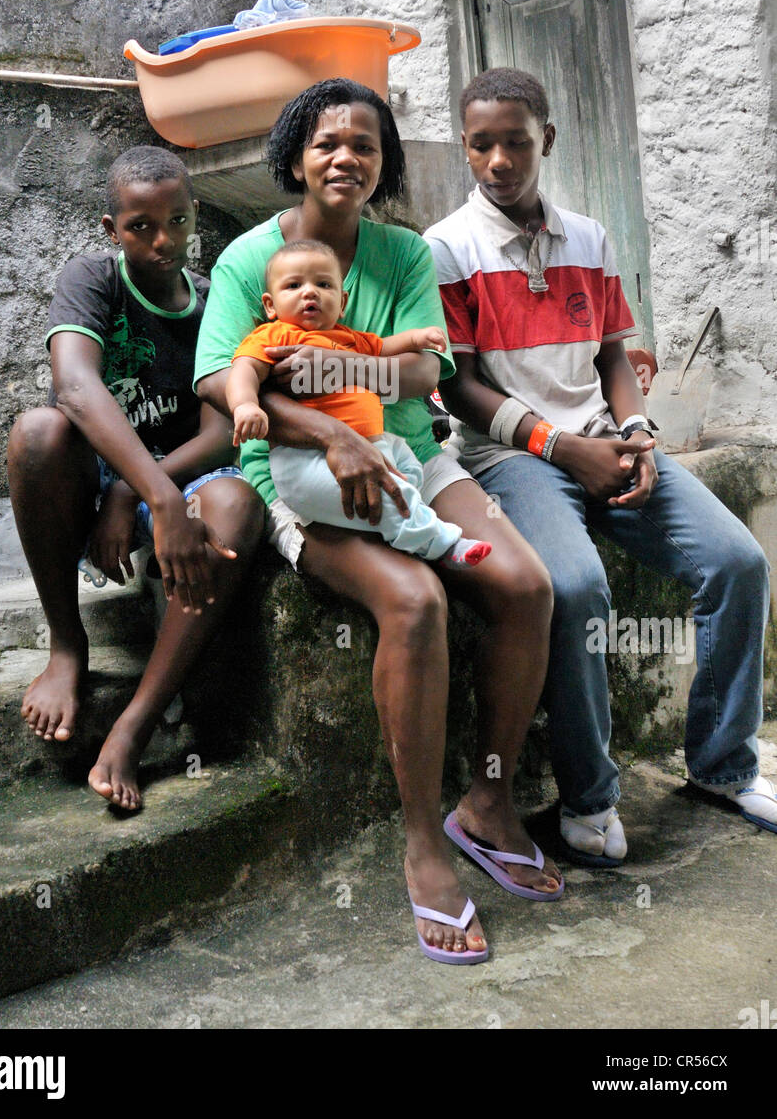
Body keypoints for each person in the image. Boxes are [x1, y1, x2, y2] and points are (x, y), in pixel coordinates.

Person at [195, 78, 562, 967]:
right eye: (326, 143)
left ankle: (483, 800)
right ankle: (423, 844)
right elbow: (222, 384)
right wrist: (327, 430)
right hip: (295, 475)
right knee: (416, 602)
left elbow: (423, 380)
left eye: (364, 145)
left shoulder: (401, 256)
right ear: (293, 158)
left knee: (524, 585)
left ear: (381, 164)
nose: (344, 158)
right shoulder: (249, 260)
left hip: (410, 457)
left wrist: (322, 393)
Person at [424, 66, 774, 865]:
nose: (498, 161)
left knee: (736, 563)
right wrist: (560, 448)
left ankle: (721, 768)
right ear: (466, 150)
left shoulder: (588, 236)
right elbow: (461, 387)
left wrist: (637, 433)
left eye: (514, 141)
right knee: (575, 589)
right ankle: (589, 799)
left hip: (602, 440)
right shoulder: (445, 248)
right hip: (513, 457)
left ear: (543, 140)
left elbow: (612, 353)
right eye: (480, 145)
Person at [7, 146, 264, 811]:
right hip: (106, 480)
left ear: (195, 214)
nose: (163, 241)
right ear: (110, 229)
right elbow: (73, 385)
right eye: (141, 227)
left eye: (177, 221)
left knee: (238, 502)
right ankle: (68, 646)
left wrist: (143, 492)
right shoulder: (93, 279)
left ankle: (136, 722)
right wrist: (132, 487)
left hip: (177, 483)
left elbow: (216, 434)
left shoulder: (213, 299)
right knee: (38, 433)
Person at [226, 238, 492, 568]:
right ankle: (443, 545)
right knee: (391, 487)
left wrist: (417, 338)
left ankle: (402, 523)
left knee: (407, 466)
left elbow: (385, 347)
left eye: (323, 284)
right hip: (305, 459)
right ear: (270, 304)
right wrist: (245, 406)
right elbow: (243, 369)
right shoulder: (275, 335)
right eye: (294, 285)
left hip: (372, 444)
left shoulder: (347, 337)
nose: (309, 292)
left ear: (341, 302)